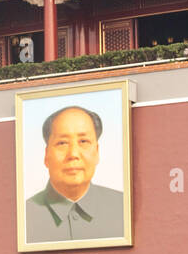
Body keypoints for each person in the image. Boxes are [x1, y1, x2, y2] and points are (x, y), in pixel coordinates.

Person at [23, 105, 125, 244]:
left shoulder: (124, 208)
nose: (73, 154)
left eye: (83, 141)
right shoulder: (24, 216)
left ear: (96, 152)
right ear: (46, 155)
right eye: (62, 143)